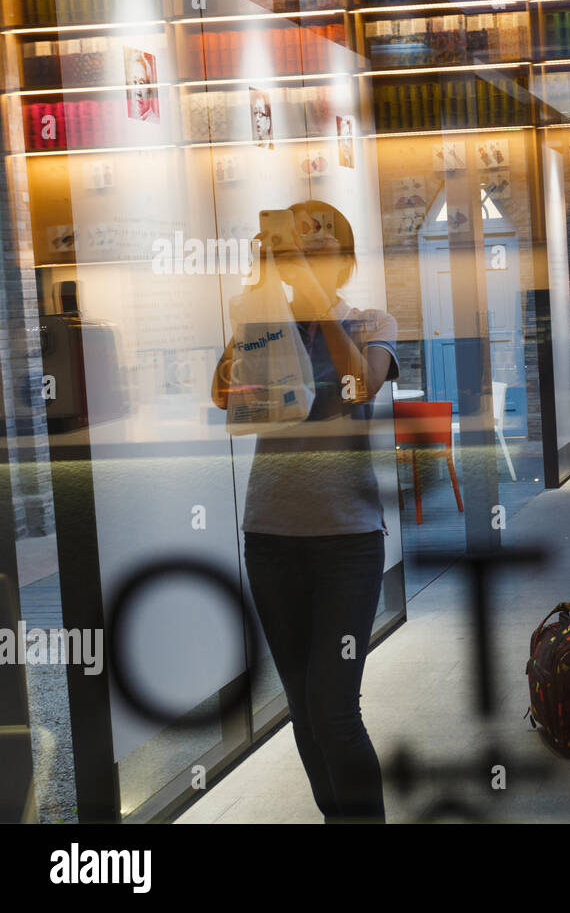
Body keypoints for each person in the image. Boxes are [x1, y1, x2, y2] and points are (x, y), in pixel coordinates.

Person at [211, 200, 399, 820]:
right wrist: (259, 297)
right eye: (295, 251)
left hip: (347, 539)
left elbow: (356, 389)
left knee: (334, 705)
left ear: (343, 263)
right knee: (303, 706)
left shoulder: (373, 322)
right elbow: (221, 394)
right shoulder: (264, 322)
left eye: (319, 251)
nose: (305, 262)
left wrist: (316, 306)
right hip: (270, 535)